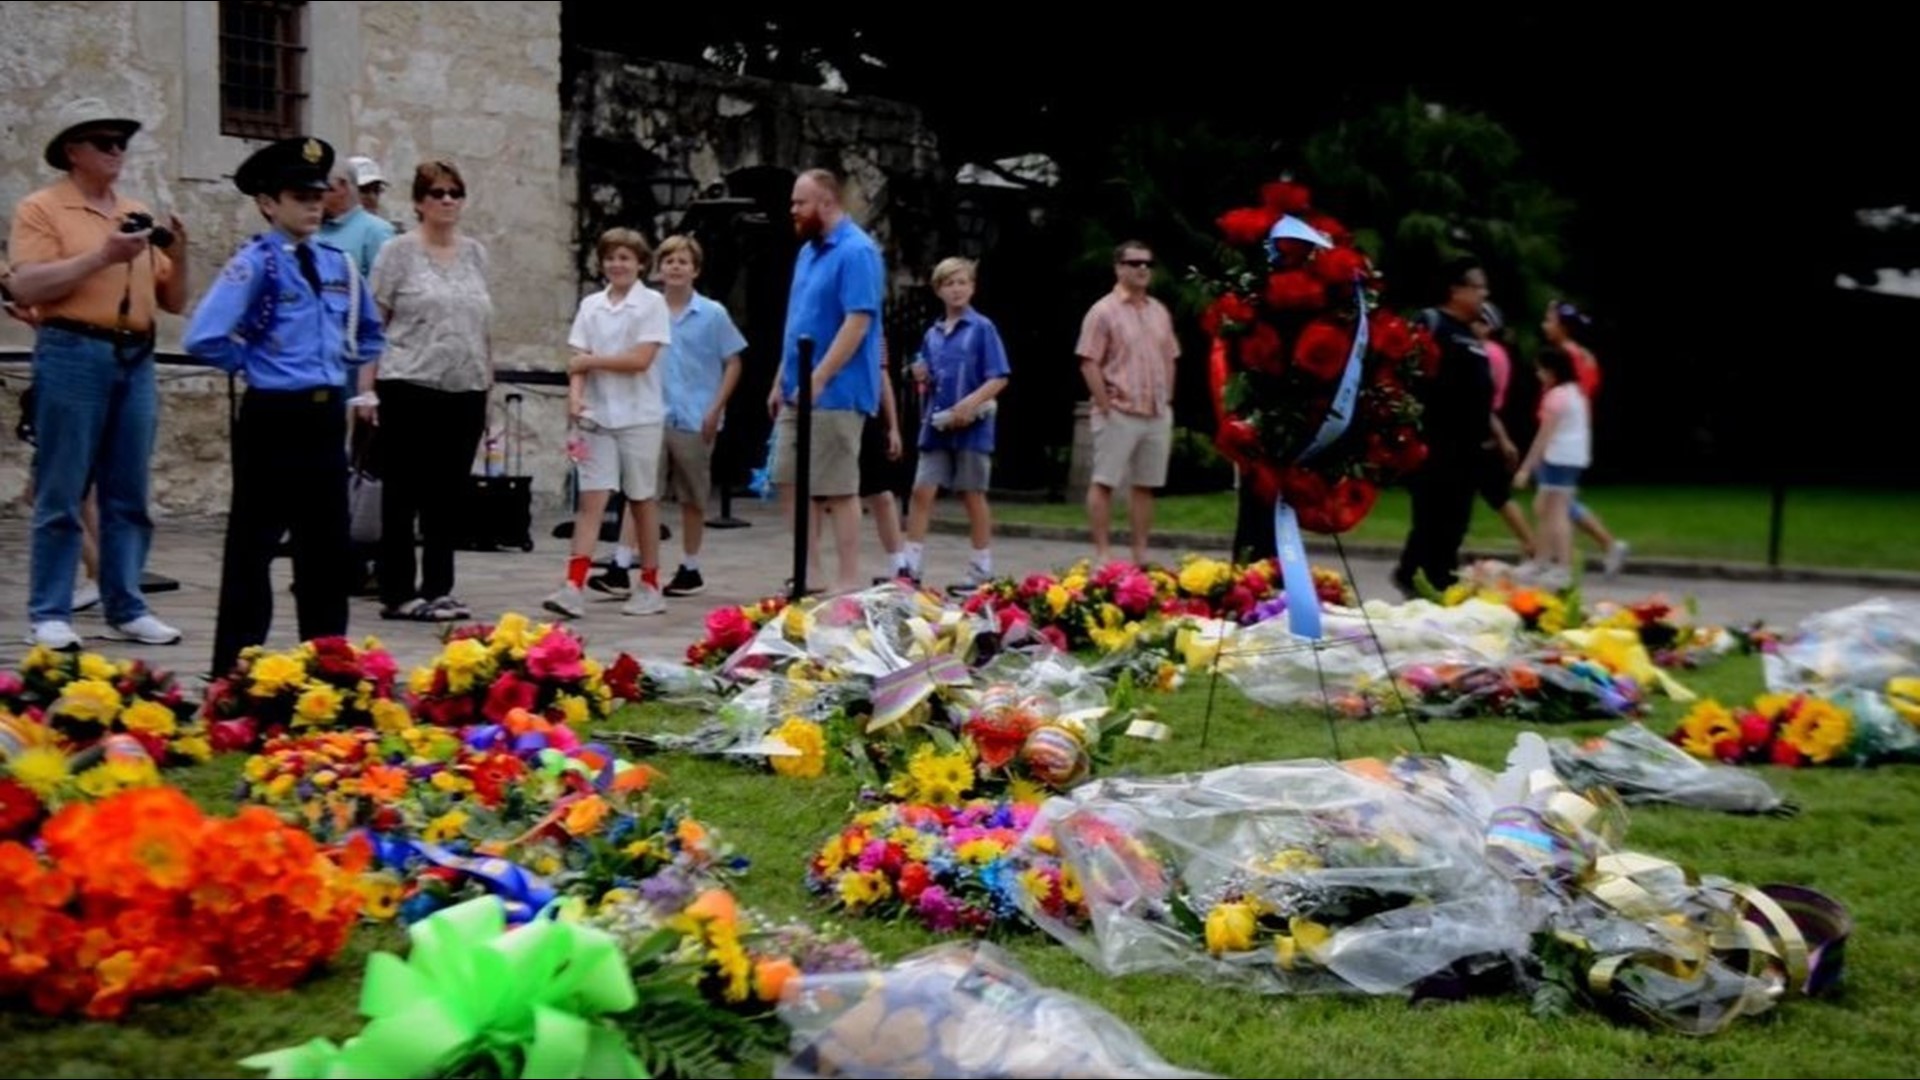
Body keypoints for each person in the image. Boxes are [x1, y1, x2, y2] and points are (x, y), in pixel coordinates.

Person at [184, 136, 386, 676]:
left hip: (324, 417)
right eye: (299, 195)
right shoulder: (255, 265)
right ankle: (235, 669)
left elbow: (369, 331)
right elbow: (204, 336)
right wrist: (253, 361)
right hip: (273, 415)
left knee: (327, 550)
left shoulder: (340, 264)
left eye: (319, 193)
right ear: (269, 203)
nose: (314, 204)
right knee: (252, 547)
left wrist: (347, 366)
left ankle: (328, 671)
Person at [9, 98, 190, 650]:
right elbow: (26, 286)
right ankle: (50, 610)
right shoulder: (43, 210)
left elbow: (174, 300)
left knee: (128, 490)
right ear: (73, 151)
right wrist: (102, 257)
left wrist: (180, 253)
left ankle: (125, 604)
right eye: (104, 143)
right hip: (73, 348)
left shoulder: (133, 209)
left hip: (135, 354)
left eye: (121, 143)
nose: (117, 152)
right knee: (63, 487)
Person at [363, 160, 495, 621]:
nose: (446, 201)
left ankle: (440, 586)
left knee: (449, 493)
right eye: (436, 193)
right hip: (408, 382)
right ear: (419, 201)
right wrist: (367, 390)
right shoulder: (397, 252)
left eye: (454, 192)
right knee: (403, 491)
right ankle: (398, 590)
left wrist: (488, 382)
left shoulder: (476, 253)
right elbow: (373, 323)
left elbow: (482, 324)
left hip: (466, 386)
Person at [589, 234, 744, 600]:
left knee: (692, 495)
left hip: (694, 415)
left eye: (683, 262)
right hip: (652, 412)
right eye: (669, 261)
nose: (675, 268)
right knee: (641, 491)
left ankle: (690, 566)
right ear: (659, 268)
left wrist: (717, 406)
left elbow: (733, 360)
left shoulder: (713, 314)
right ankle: (622, 563)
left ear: (695, 270)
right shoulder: (647, 308)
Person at [766, 168, 885, 595]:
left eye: (801, 202)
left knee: (836, 486)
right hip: (798, 384)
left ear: (827, 203)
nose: (793, 210)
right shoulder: (808, 252)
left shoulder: (857, 252)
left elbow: (857, 322)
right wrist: (782, 376)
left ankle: (849, 577)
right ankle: (809, 570)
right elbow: (800, 319)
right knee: (787, 478)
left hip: (836, 390)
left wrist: (820, 376)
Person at [544, 228, 671, 619]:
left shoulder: (652, 304)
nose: (618, 265)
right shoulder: (591, 305)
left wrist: (590, 363)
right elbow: (578, 356)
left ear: (640, 264)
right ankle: (573, 585)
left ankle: (649, 583)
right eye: (611, 258)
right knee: (591, 500)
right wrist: (576, 394)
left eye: (626, 258)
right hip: (598, 417)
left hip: (639, 416)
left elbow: (640, 360)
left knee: (641, 500)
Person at [901, 257, 1011, 590]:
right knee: (922, 490)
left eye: (962, 282)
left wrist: (970, 402)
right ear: (939, 290)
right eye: (949, 283)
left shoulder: (982, 328)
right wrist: (920, 374)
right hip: (937, 425)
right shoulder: (932, 334)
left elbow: (999, 377)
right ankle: (911, 565)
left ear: (972, 287)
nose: (957, 289)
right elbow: (929, 376)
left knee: (971, 494)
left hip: (973, 426)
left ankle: (981, 568)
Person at [1393, 258, 1497, 596]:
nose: (1485, 294)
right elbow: (1405, 373)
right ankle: (1424, 577)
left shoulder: (1470, 334)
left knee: (1455, 519)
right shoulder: (1433, 324)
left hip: (1468, 447)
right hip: (1436, 444)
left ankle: (1430, 574)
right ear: (1456, 291)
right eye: (1478, 287)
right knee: (1433, 517)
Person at [1077, 240, 1179, 567]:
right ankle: (1103, 552)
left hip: (1155, 411)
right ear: (1119, 268)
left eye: (1148, 263)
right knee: (1104, 480)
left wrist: (1167, 397)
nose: (1143, 269)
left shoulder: (1158, 311)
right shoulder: (1103, 310)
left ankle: (1140, 553)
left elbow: (1170, 356)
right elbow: (1088, 359)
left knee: (1146, 485)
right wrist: (1105, 404)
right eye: (1134, 263)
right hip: (1119, 409)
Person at [1542, 299, 1631, 576]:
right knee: (1560, 503)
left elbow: (1567, 400)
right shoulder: (1584, 357)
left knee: (1553, 503)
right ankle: (1562, 558)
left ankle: (1558, 563)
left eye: (1549, 319)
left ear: (1563, 326)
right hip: (1574, 438)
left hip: (1563, 438)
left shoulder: (1567, 358)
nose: (1545, 325)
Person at [1513, 346, 1591, 589]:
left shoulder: (1555, 396)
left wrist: (1526, 467)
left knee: (1556, 512)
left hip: (1557, 457)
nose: (1538, 374)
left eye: (1540, 369)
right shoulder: (1576, 393)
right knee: (1546, 508)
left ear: (1551, 371)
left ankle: (1562, 566)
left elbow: (1544, 435)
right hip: (1573, 457)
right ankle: (1542, 560)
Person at [1471, 302, 1535, 559]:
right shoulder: (1498, 352)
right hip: (1492, 422)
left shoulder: (1487, 353)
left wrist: (1499, 436)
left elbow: (1482, 397)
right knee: (1496, 493)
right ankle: (1530, 543)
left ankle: (1531, 544)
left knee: (1497, 493)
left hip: (1486, 425)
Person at [319, 157, 396, 278]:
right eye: (364, 190)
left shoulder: (377, 231)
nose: (372, 197)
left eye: (376, 190)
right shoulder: (311, 226)